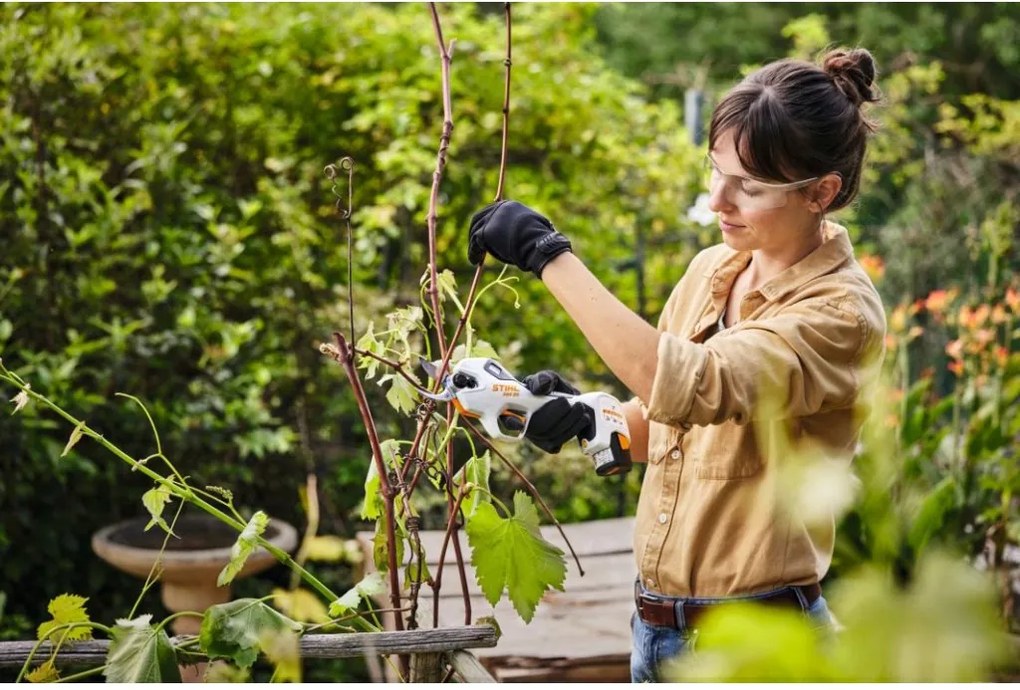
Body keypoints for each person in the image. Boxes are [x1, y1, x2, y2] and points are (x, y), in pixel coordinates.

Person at [466, 48, 887, 681]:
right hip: (657, 633)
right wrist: (590, 417)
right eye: (716, 170)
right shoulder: (711, 272)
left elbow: (697, 383)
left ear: (821, 192)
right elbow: (681, 427)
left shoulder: (840, 316)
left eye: (749, 185)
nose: (719, 198)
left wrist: (547, 253)